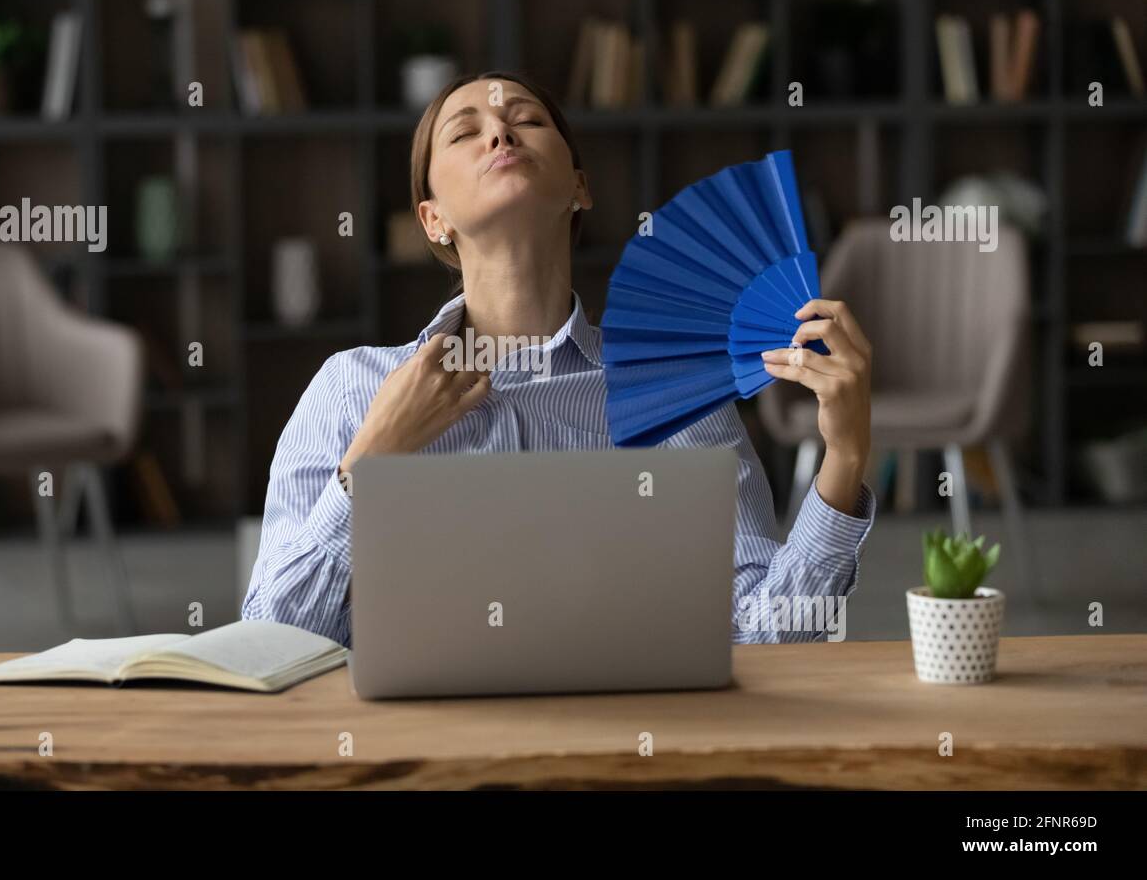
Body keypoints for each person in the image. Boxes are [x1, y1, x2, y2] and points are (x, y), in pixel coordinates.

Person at [242, 70, 875, 646]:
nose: (499, 133)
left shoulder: (672, 400)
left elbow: (768, 637)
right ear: (433, 220)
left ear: (578, 187)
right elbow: (270, 641)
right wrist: (369, 466)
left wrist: (844, 459)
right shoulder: (352, 389)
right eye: (466, 131)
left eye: (528, 120)